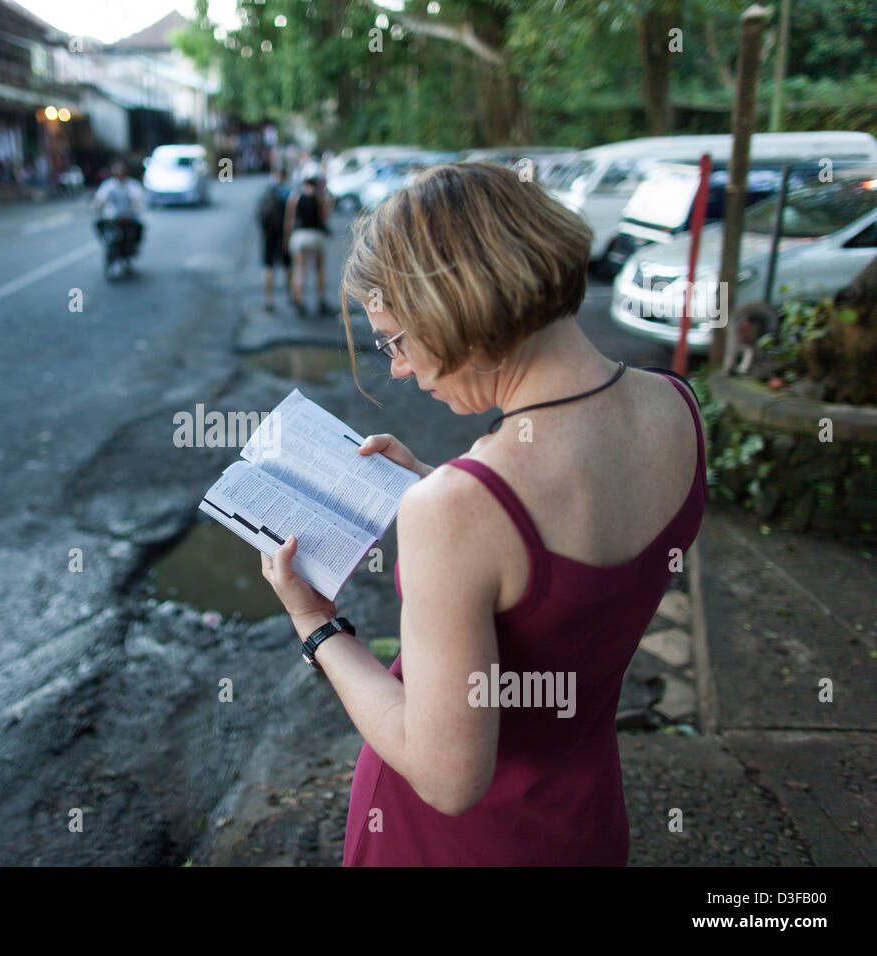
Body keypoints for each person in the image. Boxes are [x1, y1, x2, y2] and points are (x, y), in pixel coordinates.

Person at [258, 161, 707, 865]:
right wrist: (447, 486)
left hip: (452, 845)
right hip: (582, 822)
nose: (399, 368)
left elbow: (448, 777)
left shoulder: (463, 510)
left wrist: (314, 622)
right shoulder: (676, 409)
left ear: (459, 310)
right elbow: (563, 585)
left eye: (398, 340)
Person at [283, 175, 335, 317]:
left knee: (299, 269)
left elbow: (289, 220)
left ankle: (299, 300)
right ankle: (321, 300)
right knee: (319, 269)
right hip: (317, 235)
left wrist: (287, 239)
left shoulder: (295, 197)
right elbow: (323, 219)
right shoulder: (320, 198)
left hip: (300, 236)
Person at [90, 161, 145, 267]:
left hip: (127, 216)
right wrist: (95, 207)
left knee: (139, 227)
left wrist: (134, 208)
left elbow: (136, 199)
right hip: (112, 217)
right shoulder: (109, 184)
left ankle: (134, 247)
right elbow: (100, 199)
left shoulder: (132, 185)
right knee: (98, 223)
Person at [256, 166, 291, 313]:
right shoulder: (289, 192)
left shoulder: (267, 191)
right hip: (285, 234)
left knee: (268, 267)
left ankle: (268, 300)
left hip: (269, 234)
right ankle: (291, 296)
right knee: (288, 266)